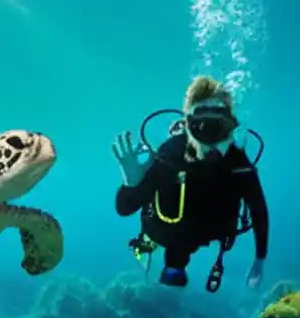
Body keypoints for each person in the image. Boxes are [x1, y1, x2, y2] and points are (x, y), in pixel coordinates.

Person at [112, 75, 269, 292]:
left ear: (232, 129)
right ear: (188, 126)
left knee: (181, 254)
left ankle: (172, 264)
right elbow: (125, 208)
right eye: (201, 127)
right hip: (163, 228)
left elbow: (259, 211)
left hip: (203, 233)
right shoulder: (172, 154)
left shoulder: (239, 165)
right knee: (166, 239)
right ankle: (145, 244)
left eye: (220, 129)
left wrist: (260, 258)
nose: (211, 141)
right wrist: (131, 182)